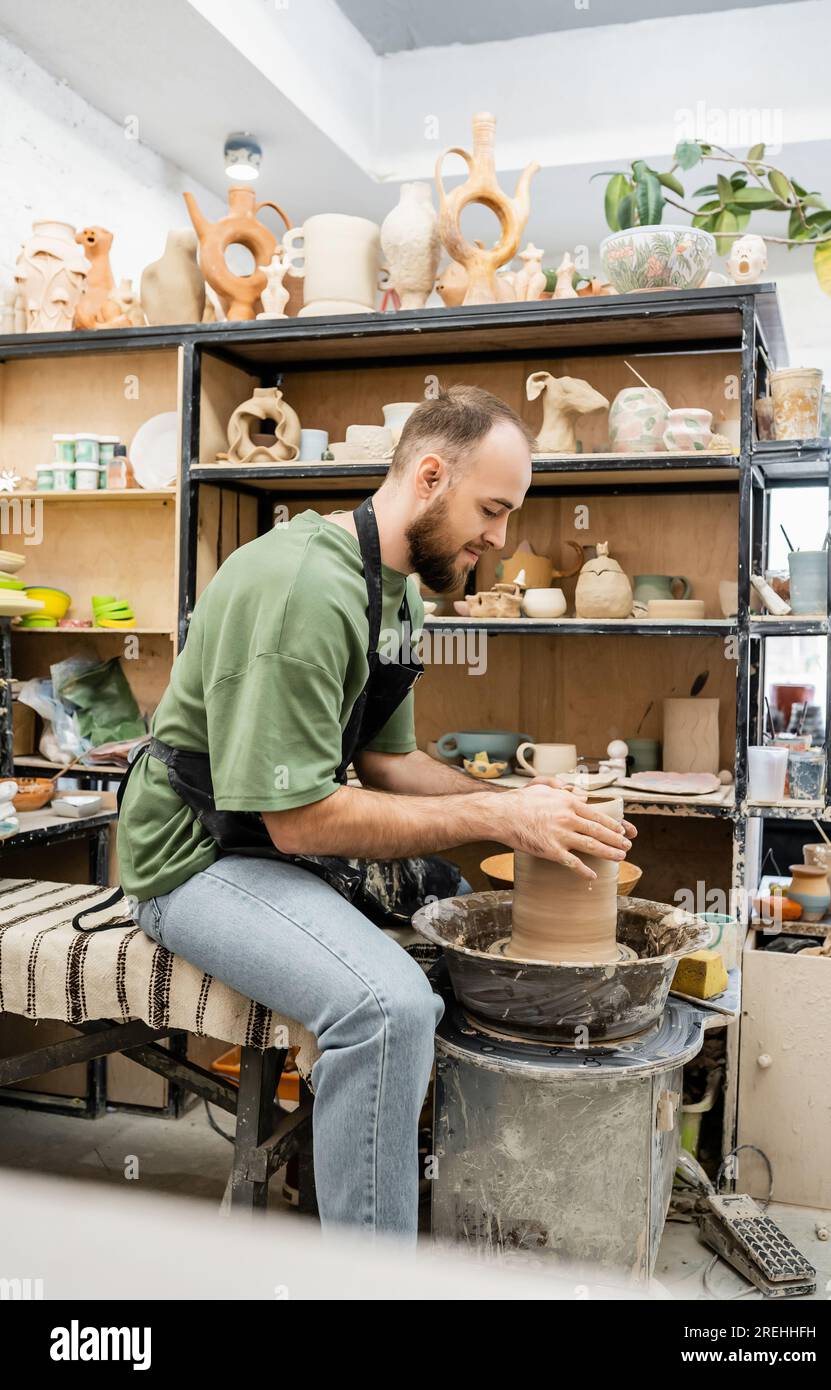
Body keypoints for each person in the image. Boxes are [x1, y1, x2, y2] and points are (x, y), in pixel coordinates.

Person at [117, 384, 636, 1239]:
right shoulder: (303, 590)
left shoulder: (400, 595)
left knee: (451, 911)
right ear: (430, 475)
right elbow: (303, 821)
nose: (501, 542)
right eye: (493, 511)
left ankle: (391, 1188)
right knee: (387, 1009)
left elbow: (389, 764)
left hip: (272, 834)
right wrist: (503, 823)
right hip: (195, 856)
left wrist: (523, 801)